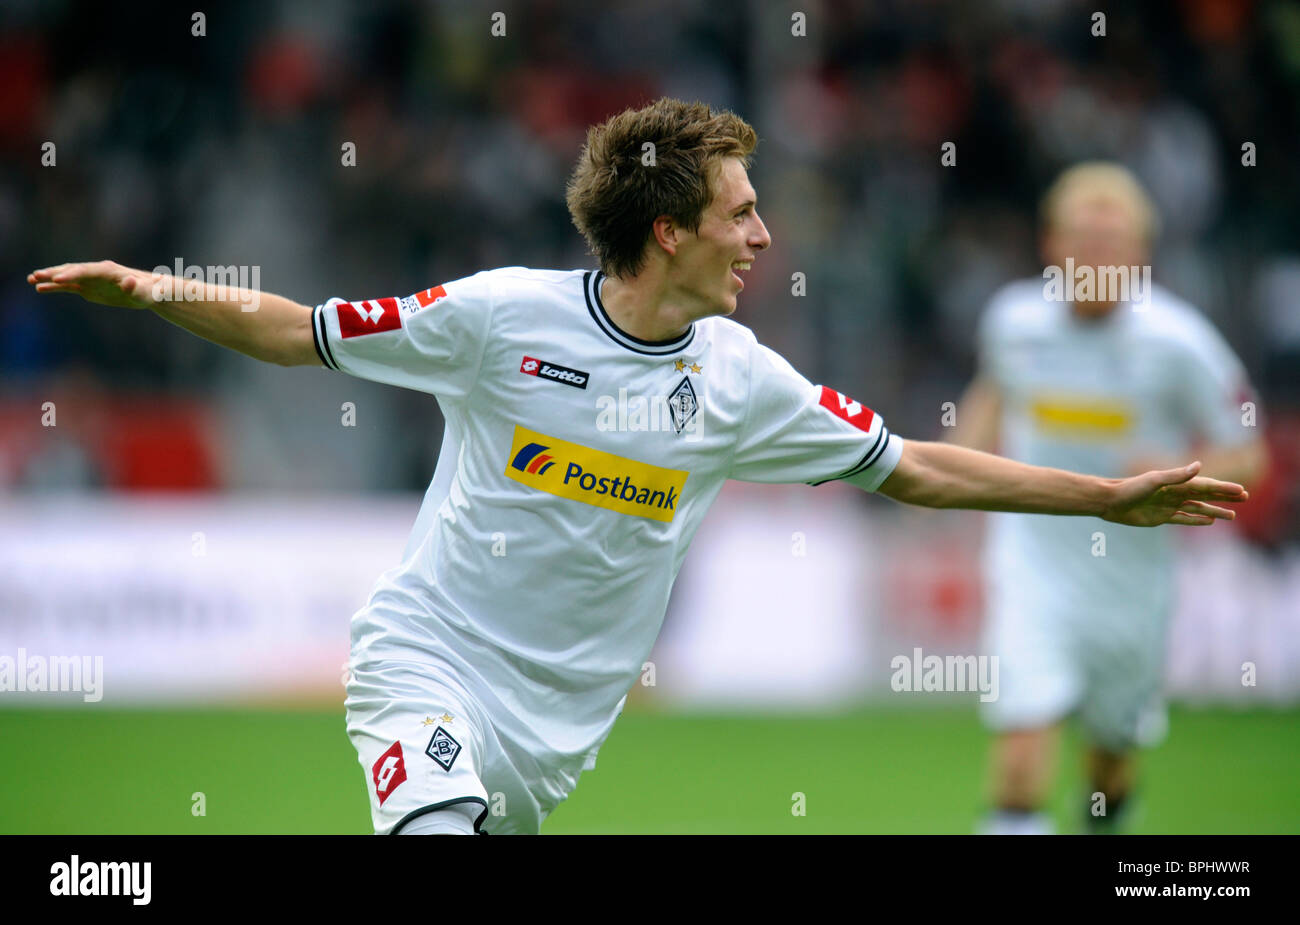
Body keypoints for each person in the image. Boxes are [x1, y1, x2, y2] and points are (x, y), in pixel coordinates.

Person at [28, 101, 1248, 835]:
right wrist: (154, 290)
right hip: (426, 660)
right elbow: (296, 331)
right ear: (671, 228)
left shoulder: (739, 378)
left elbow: (911, 466)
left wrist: (1108, 499)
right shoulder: (498, 318)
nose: (765, 235)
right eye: (742, 212)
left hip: (555, 733)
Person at [949, 162, 1266, 835]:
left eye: (1110, 241)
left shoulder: (1181, 343)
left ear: (1140, 255)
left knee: (1108, 764)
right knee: (1021, 750)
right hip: (1032, 564)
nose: (1095, 255)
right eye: (1081, 238)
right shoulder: (1013, 320)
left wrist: (1184, 468)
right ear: (1049, 244)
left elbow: (1251, 452)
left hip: (1131, 582)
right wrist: (947, 471)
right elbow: (992, 398)